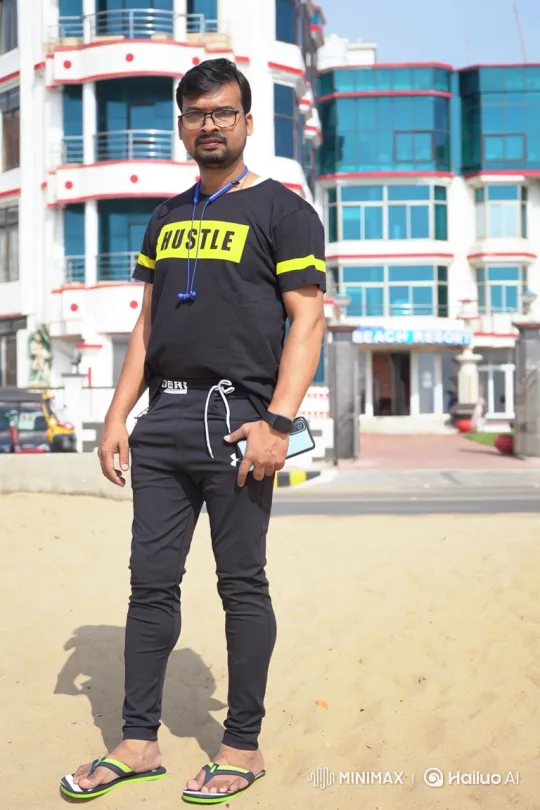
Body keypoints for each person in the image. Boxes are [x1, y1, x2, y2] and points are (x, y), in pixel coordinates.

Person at [60, 58, 326, 804]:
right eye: (195, 114)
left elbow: (308, 322)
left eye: (222, 112)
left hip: (240, 422)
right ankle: (138, 741)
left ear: (246, 122)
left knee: (241, 586)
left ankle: (242, 744)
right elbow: (147, 324)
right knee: (150, 587)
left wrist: (278, 422)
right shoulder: (166, 215)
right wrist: (117, 415)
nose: (209, 124)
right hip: (165, 421)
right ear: (182, 125)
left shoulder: (283, 210)